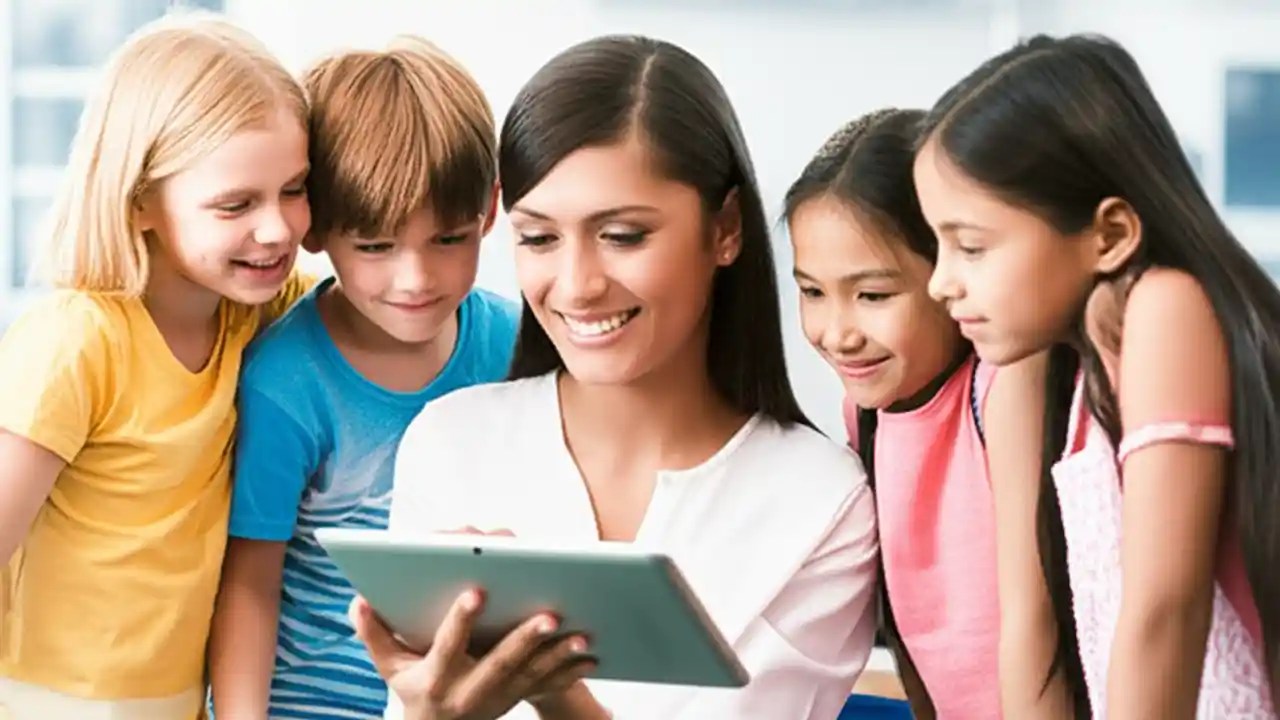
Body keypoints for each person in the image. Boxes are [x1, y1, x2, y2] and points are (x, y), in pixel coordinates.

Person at [356, 34, 879, 720]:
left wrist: (554, 691)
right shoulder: (451, 442)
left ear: (725, 228)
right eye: (538, 238)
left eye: (623, 235)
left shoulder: (818, 500)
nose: (577, 286)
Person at [915, 33, 1277, 717]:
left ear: (1109, 234)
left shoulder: (1165, 307)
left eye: (971, 246)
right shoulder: (1082, 370)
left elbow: (1165, 609)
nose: (941, 282)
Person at [0, 12, 311, 718]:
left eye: (294, 189)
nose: (278, 228)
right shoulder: (77, 342)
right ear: (140, 201)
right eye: (235, 204)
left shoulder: (262, 312)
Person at [208, 36, 520, 720]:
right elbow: (250, 586)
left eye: (449, 238)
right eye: (376, 246)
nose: (416, 279)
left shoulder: (517, 345)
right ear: (316, 228)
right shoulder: (286, 381)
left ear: (491, 209)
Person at [785, 107, 1001, 719]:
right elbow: (913, 631)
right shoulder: (866, 413)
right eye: (812, 292)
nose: (837, 333)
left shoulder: (1000, 393)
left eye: (873, 295)